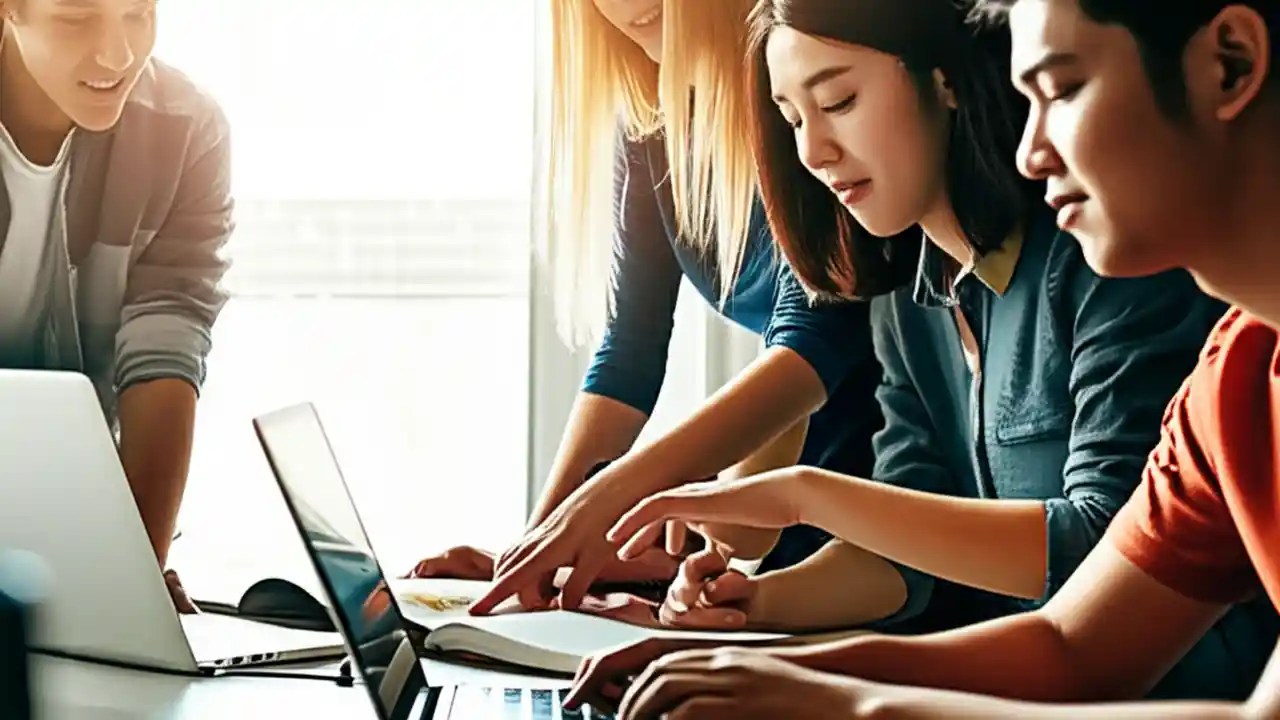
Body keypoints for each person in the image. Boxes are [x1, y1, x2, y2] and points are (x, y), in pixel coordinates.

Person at [567, 0, 1280, 717]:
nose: (1034, 150)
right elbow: (1067, 646)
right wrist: (746, 632)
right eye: (790, 120)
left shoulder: (1109, 273)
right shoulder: (1232, 374)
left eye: (1061, 90)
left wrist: (803, 502)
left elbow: (1088, 557)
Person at [417, 0, 888, 611]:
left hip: (877, 484)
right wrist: (534, 552)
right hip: (785, 497)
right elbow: (628, 355)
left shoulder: (805, 95)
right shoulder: (653, 120)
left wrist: (609, 505)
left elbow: (816, 334)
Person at [0, 0, 232, 611]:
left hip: (70, 526)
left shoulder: (184, 130)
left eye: (138, 12)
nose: (118, 54)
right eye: (78, 17)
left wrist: (133, 578)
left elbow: (168, 347)